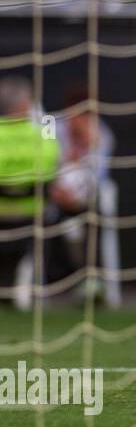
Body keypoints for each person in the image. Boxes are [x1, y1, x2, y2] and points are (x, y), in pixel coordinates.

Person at [0, 76, 58, 305]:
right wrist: (46, 120)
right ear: (25, 106)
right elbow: (52, 164)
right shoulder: (43, 132)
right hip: (32, 215)